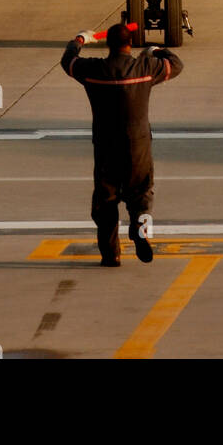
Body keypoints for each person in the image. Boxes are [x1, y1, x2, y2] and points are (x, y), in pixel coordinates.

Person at [61, 22, 183, 266]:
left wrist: (80, 40)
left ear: (109, 45)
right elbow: (176, 65)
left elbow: (68, 61)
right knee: (142, 194)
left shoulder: (95, 69)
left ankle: (111, 254)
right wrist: (155, 50)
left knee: (106, 200)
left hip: (106, 145)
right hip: (138, 145)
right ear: (130, 43)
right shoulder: (145, 68)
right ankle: (142, 233)